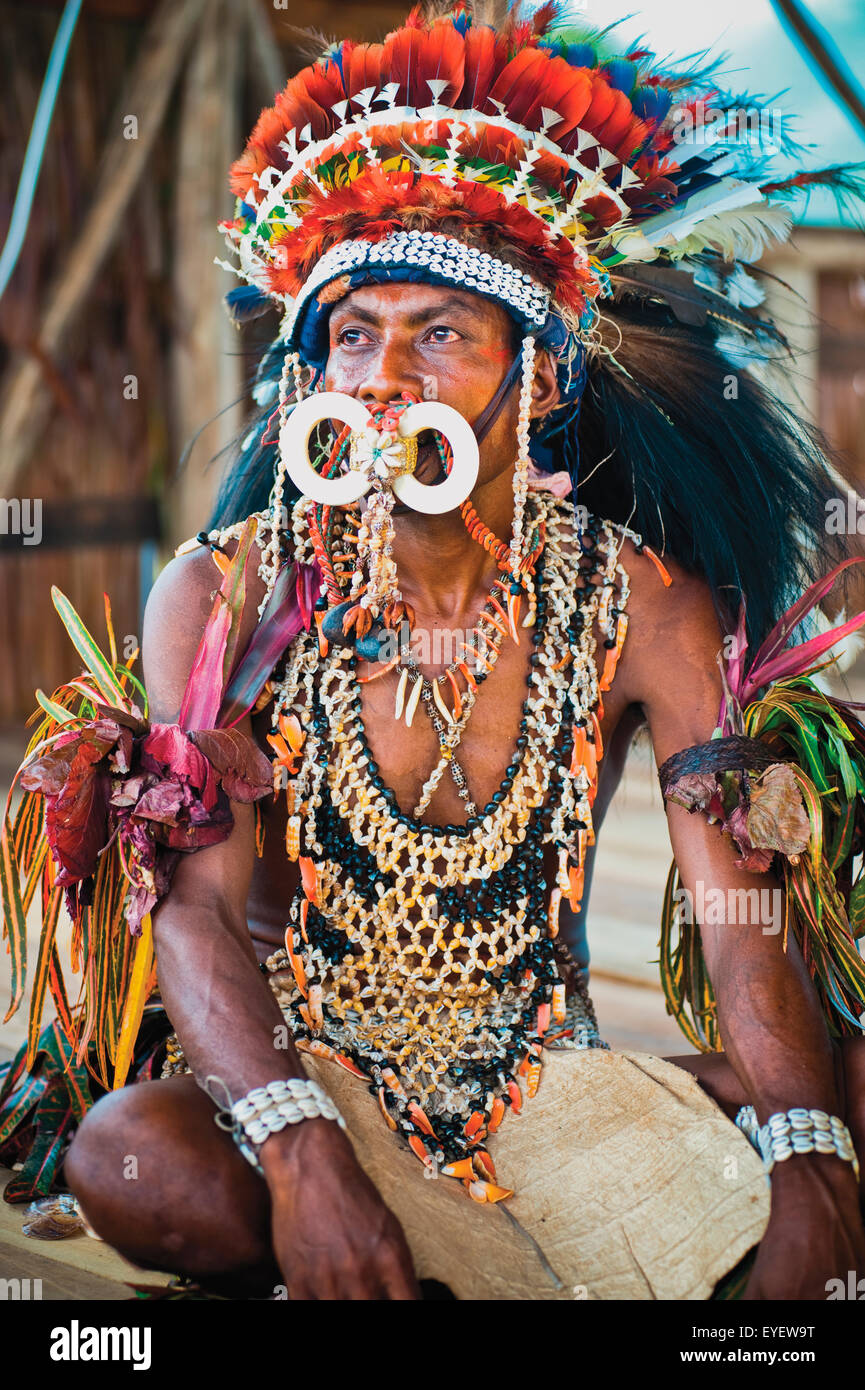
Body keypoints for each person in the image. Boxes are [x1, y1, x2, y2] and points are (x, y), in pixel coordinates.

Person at [3, 1, 865, 1301]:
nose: (381, 376)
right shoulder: (225, 590)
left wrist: (809, 1165)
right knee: (130, 1155)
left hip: (547, 1088)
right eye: (351, 334)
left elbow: (741, 926)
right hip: (301, 1079)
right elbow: (188, 912)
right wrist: (302, 1162)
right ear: (305, 379)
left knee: (845, 1098)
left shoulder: (647, 604)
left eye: (440, 334)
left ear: (541, 383)